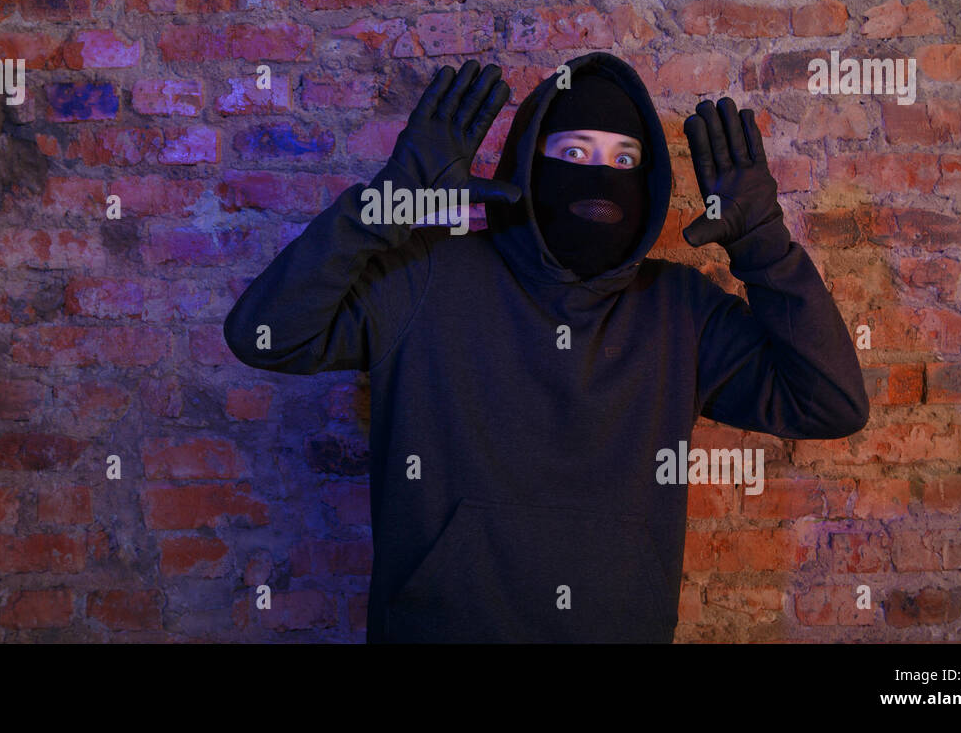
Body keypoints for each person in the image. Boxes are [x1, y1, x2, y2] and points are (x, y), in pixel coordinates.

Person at [223, 51, 869, 643]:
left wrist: (763, 246)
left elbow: (828, 406)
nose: (600, 177)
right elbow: (267, 337)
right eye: (575, 151)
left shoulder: (681, 307)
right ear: (531, 165)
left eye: (623, 160)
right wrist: (387, 204)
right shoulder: (427, 276)